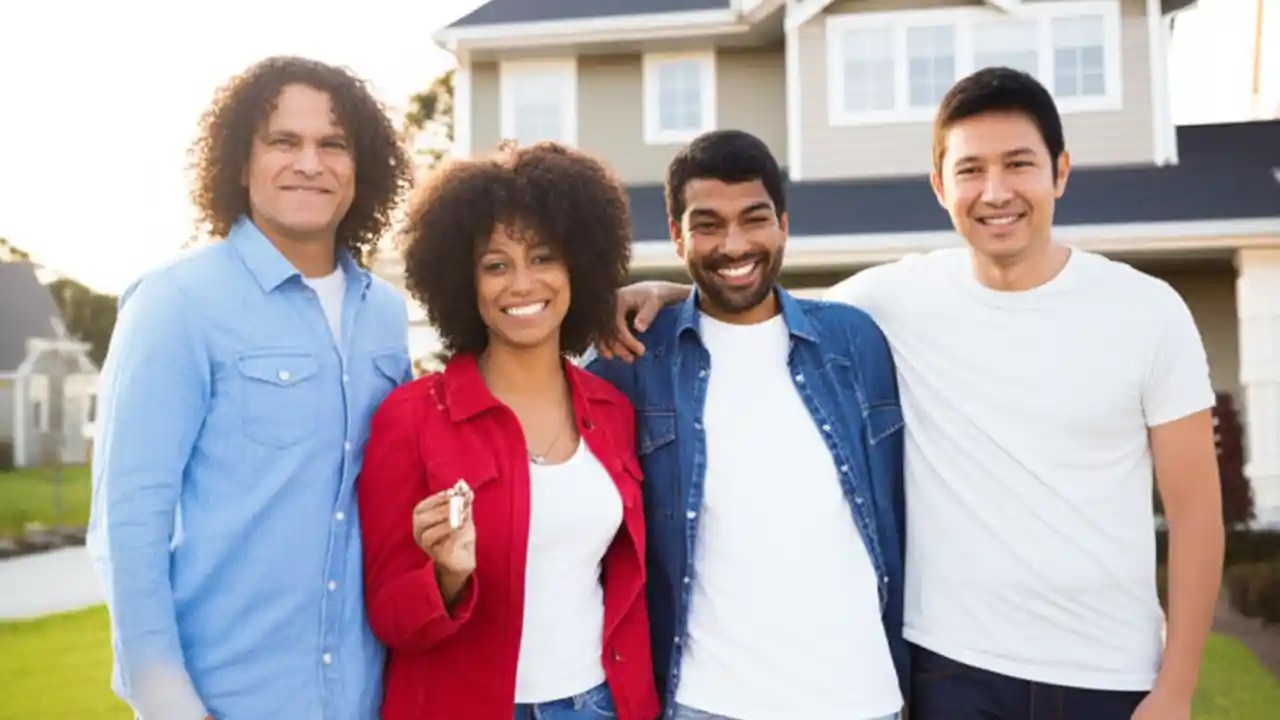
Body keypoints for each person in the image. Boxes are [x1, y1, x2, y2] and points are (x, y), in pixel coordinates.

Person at [605, 68, 1225, 720]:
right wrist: (667, 294)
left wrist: (1176, 690)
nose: (995, 192)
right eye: (970, 170)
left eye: (1019, 164)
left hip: (1110, 670)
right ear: (939, 185)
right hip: (952, 669)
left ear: (1060, 172)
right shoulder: (891, 302)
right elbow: (755, 303)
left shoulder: (1148, 312)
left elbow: (1196, 518)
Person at [87, 56, 414, 719]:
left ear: (362, 168)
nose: (310, 163)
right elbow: (127, 529)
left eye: (333, 144)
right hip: (228, 702)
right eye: (283, 142)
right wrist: (168, 705)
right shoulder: (175, 303)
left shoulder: (384, 313)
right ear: (241, 162)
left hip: (366, 698)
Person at [587, 129, 908, 720]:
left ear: (783, 223)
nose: (734, 244)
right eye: (707, 225)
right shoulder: (635, 358)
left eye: (754, 219)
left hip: (860, 699)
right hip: (707, 702)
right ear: (678, 236)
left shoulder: (856, 341)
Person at [356, 141, 661, 720]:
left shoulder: (614, 408)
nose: (523, 284)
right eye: (496, 265)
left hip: (599, 704)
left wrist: (676, 294)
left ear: (578, 267)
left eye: (543, 258)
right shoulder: (412, 417)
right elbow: (390, 616)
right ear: (464, 283)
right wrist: (445, 574)